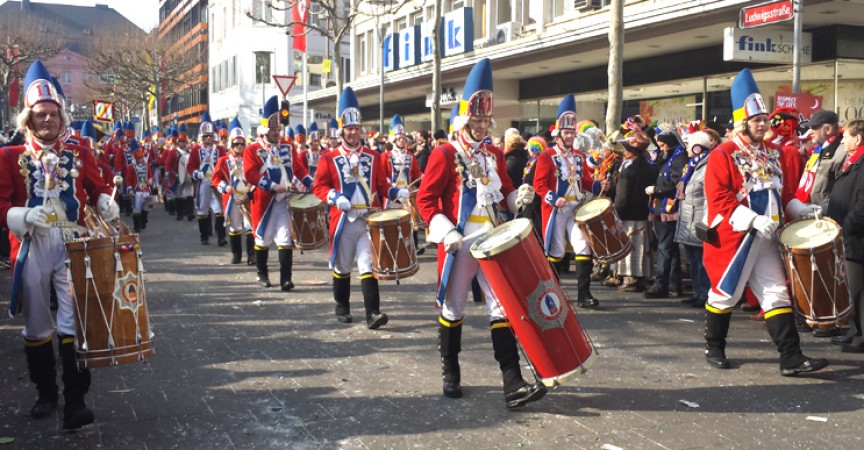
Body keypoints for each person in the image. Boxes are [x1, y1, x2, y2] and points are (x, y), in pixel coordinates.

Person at [0, 60, 120, 430]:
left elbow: (96, 186)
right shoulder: (7, 157)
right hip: (32, 245)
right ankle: (46, 393)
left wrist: (103, 201)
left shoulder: (81, 150)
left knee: (73, 322)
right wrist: (20, 215)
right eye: (40, 115)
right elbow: (1, 202)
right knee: (37, 324)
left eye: (53, 114)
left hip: (73, 243)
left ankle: (76, 401)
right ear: (28, 119)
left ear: (61, 115)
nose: (48, 120)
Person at [416, 58, 543, 408]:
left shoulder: (494, 154)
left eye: (487, 120)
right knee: (454, 307)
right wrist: (443, 230)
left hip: (493, 240)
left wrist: (520, 196)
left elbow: (503, 195)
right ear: (465, 119)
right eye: (477, 120)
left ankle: (512, 381)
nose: (483, 126)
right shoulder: (444, 154)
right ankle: (451, 371)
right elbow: (425, 200)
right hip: (460, 241)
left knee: (501, 307)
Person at [702, 68, 828, 376]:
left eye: (765, 119)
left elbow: (783, 194)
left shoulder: (774, 153)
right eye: (757, 120)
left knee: (776, 293)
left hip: (768, 238)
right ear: (742, 122)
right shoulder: (723, 154)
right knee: (725, 294)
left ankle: (791, 357)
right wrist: (753, 220)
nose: (763, 124)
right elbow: (719, 198)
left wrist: (802, 209)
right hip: (736, 239)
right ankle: (714, 347)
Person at [313, 87, 407, 328]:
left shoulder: (374, 156)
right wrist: (334, 196)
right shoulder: (328, 157)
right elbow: (319, 187)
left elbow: (381, 184)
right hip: (343, 219)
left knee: (369, 264)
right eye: (349, 129)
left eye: (356, 128)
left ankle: (372, 313)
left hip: (367, 218)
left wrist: (395, 191)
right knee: (342, 265)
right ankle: (341, 306)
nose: (353, 133)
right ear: (342, 130)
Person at [534, 94, 598, 307]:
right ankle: (553, 294)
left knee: (583, 246)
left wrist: (600, 185)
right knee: (557, 250)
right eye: (567, 133)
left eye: (572, 132)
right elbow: (539, 185)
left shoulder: (580, 156)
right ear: (558, 133)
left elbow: (586, 181)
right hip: (556, 210)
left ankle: (584, 295)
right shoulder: (546, 156)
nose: (570, 136)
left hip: (576, 208)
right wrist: (554, 199)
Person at [243, 96, 313, 291]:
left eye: (278, 130)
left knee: (285, 239)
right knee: (262, 239)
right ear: (265, 131)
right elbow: (250, 174)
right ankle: (262, 274)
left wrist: (310, 183)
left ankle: (286, 279)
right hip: (264, 201)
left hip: (285, 200)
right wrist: (272, 186)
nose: (277, 133)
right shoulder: (252, 150)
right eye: (273, 130)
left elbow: (299, 169)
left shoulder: (288, 148)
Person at [826, 118, 864, 352]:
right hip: (850, 236)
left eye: (847, 137)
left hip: (857, 237)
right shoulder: (855, 160)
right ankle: (854, 330)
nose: (843, 140)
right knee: (853, 288)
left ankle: (861, 336)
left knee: (859, 290)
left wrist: (847, 226)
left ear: (858, 138)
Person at [644, 126, 687, 298]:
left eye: (663, 145)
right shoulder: (669, 156)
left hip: (670, 206)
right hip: (663, 206)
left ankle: (661, 284)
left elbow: (675, 183)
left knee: (664, 247)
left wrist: (656, 189)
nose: (661, 149)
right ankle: (673, 283)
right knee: (671, 248)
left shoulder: (678, 158)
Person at [674, 131, 713, 306]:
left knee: (702, 261)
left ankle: (704, 293)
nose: (687, 149)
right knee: (693, 260)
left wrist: (706, 221)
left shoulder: (707, 167)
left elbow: (708, 197)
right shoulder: (692, 166)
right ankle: (697, 292)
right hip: (688, 219)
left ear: (697, 148)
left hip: (698, 220)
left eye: (689, 145)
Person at [612, 131, 654, 292]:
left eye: (625, 149)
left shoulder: (628, 169)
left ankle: (630, 278)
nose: (623, 152)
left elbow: (622, 196)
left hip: (628, 213)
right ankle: (642, 276)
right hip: (643, 212)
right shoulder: (649, 167)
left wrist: (617, 213)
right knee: (642, 245)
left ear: (631, 152)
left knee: (630, 246)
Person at [212, 118, 255, 265]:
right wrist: (225, 187)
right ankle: (236, 255)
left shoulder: (250, 159)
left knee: (250, 226)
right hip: (232, 198)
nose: (239, 146)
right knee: (235, 227)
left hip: (248, 197)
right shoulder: (223, 161)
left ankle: (252, 256)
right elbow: (215, 179)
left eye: (242, 143)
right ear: (231, 144)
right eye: (236, 144)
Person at [188, 113, 227, 245]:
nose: (209, 139)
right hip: (203, 182)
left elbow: (225, 165)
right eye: (206, 136)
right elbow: (190, 166)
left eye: (210, 136)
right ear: (202, 137)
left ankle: (221, 236)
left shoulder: (220, 149)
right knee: (202, 210)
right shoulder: (195, 150)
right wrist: (196, 173)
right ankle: (204, 236)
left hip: (216, 182)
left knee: (219, 209)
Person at [124, 140, 153, 233]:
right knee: (137, 208)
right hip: (137, 190)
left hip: (146, 189)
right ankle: (137, 226)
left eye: (141, 158)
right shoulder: (131, 167)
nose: (141, 160)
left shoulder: (147, 165)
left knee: (146, 205)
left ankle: (143, 221)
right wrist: (130, 189)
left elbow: (150, 175)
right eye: (139, 158)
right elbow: (128, 179)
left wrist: (150, 180)